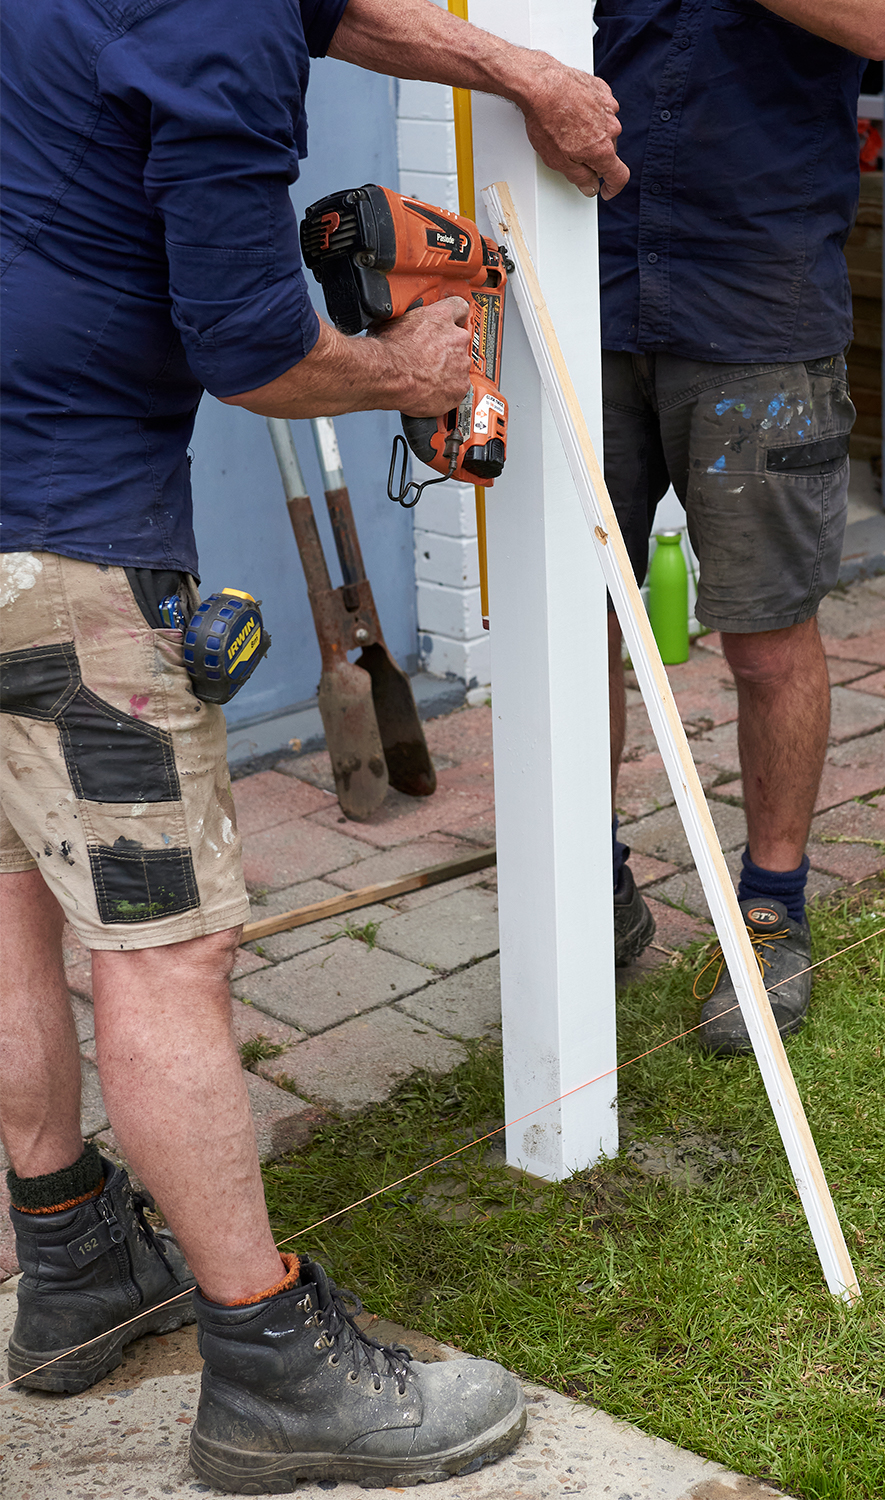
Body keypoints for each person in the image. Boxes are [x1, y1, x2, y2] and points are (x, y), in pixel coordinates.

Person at [0, 0, 625, 1486]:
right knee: (163, 951)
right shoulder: (213, 24)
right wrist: (411, 366)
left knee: (13, 890)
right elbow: (252, 348)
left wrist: (517, 65)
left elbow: (324, 5)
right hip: (64, 547)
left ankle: (75, 1260)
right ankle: (271, 1364)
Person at [599, 0, 885, 1051]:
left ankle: (770, 906)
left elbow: (880, 18)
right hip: (590, 283)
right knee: (583, 627)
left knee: (763, 638)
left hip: (757, 304)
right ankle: (593, 879)